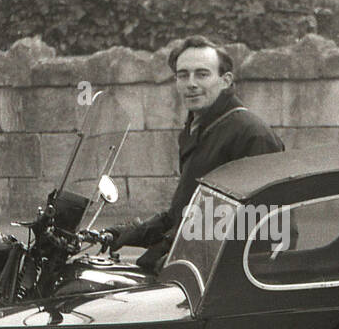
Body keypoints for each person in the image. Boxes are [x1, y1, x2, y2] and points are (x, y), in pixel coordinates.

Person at [106, 35, 283, 271]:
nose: (191, 83)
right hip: (195, 262)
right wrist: (129, 232)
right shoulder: (198, 128)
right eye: (183, 75)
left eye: (202, 74)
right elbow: (186, 211)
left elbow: (266, 226)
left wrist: (173, 252)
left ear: (225, 80)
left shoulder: (250, 134)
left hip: (228, 277)